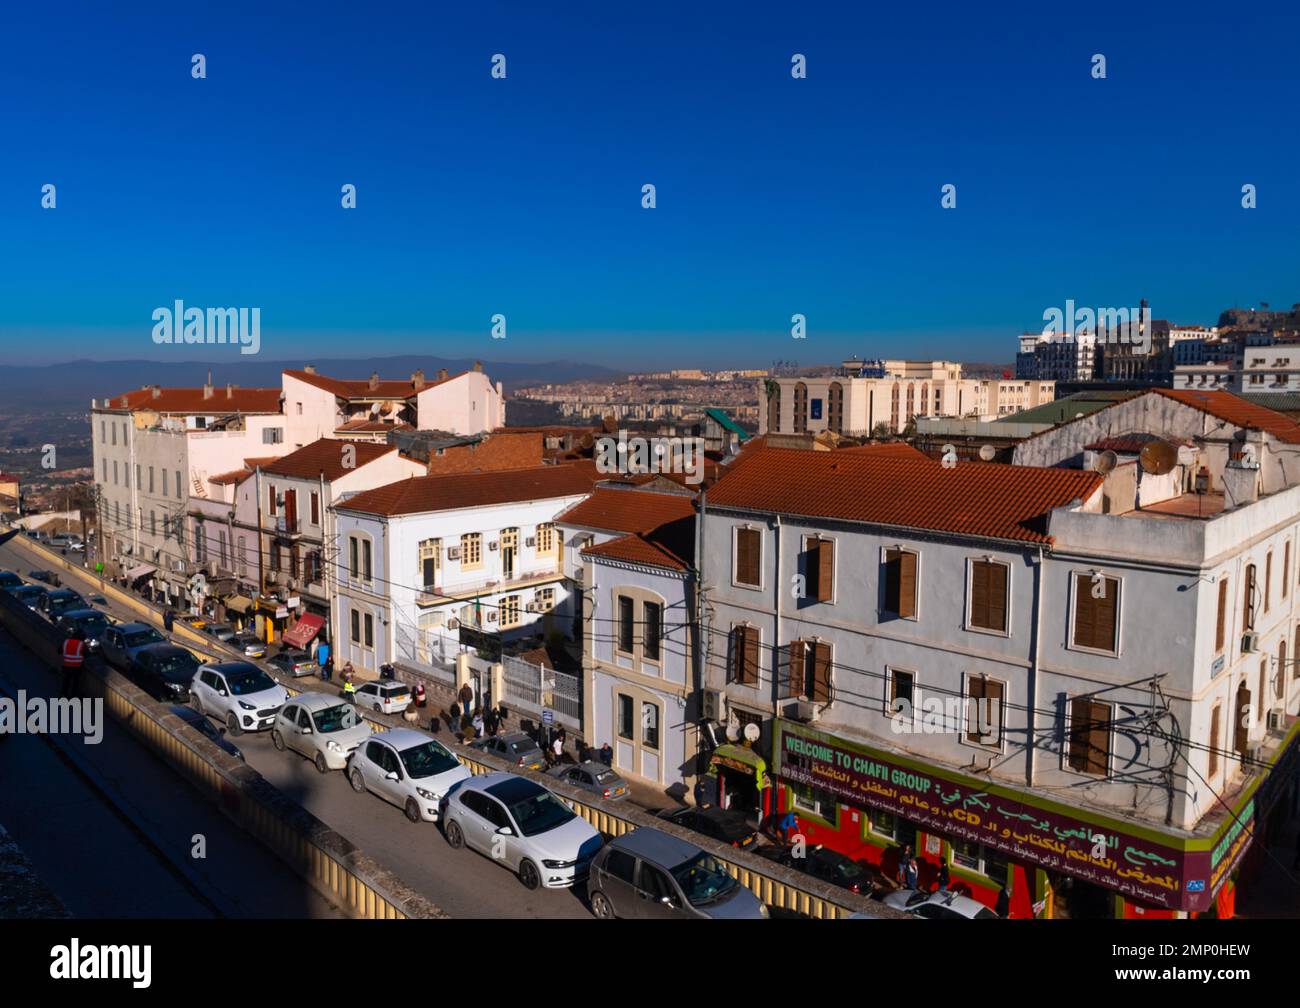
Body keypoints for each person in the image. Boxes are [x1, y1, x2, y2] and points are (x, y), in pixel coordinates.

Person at [61, 630, 86, 696]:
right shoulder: (81, 644)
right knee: (76, 682)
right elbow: (87, 654)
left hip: (66, 665)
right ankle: (73, 695)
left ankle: (63, 694)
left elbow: (59, 650)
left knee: (66, 680)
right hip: (77, 667)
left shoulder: (66, 642)